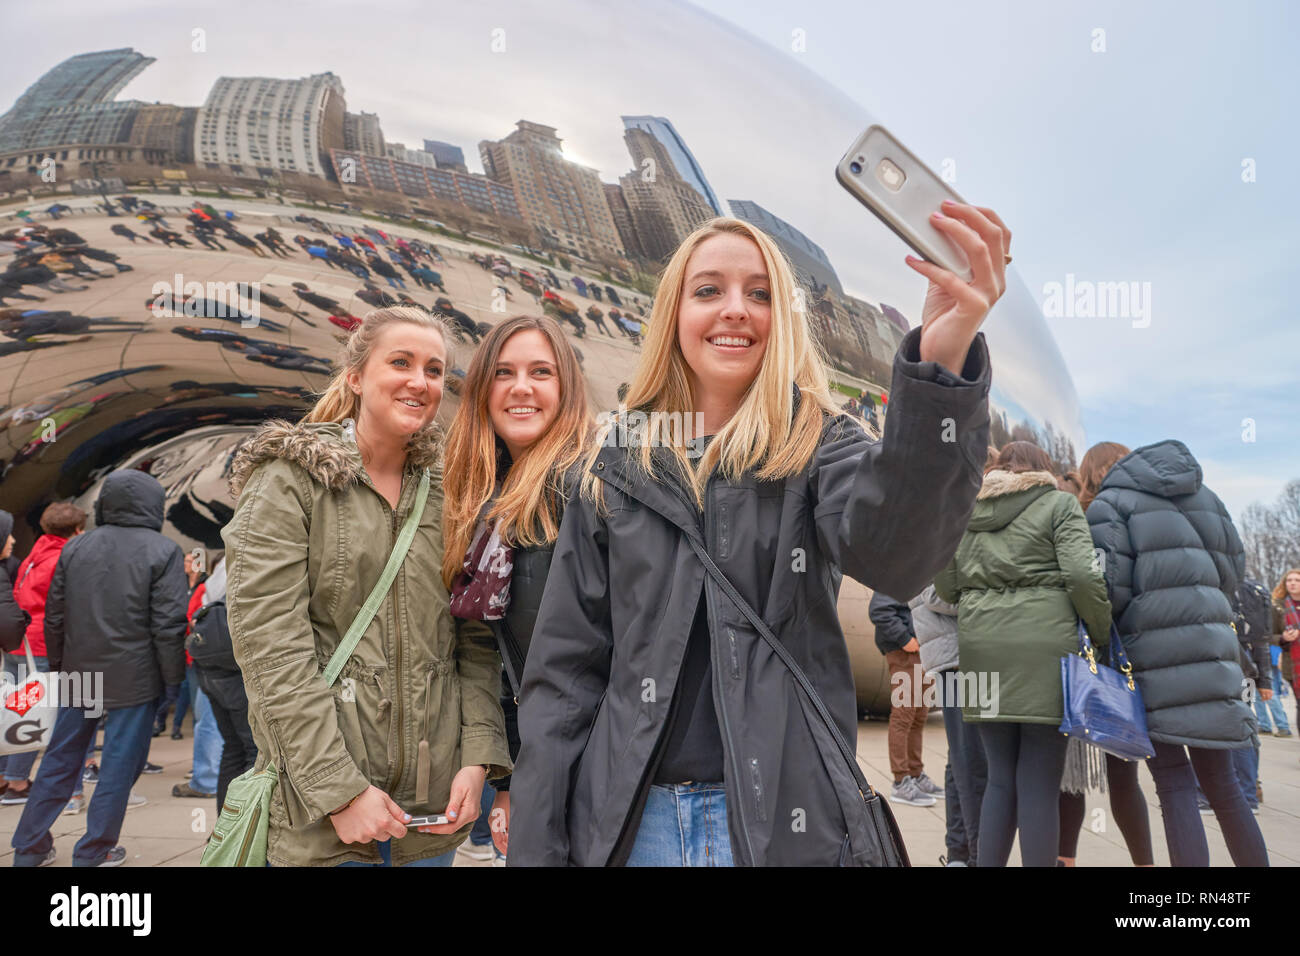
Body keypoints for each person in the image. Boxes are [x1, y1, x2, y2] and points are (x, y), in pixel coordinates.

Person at [509, 202, 1007, 867]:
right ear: (673, 316)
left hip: (779, 828)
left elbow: (898, 555)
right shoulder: (614, 466)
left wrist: (940, 364)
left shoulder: (820, 444)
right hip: (631, 827)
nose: (735, 309)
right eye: (708, 290)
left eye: (761, 293)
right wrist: (539, 851)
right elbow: (564, 679)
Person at [221, 306, 510, 866]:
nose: (419, 381)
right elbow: (271, 653)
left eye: (433, 369)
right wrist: (340, 791)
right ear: (355, 376)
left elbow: (472, 642)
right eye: (400, 362)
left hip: (430, 816)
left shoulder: (449, 493)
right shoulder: (289, 481)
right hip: (323, 820)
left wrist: (477, 759)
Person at [441, 314, 593, 864]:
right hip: (545, 767)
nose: (521, 387)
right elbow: (507, 659)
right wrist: (511, 781)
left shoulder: (588, 490)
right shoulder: (494, 502)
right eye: (503, 372)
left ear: (566, 388)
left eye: (540, 372)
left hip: (599, 775)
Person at [1084, 439, 1268, 867]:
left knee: (1173, 785)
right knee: (1224, 787)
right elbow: (1232, 572)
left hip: (1151, 662)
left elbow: (1107, 590)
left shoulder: (1110, 504)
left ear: (1095, 472)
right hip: (1214, 655)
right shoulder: (1208, 498)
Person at [934, 441, 1112, 867]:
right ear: (1044, 469)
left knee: (998, 781)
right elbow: (1082, 577)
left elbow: (944, 587)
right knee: (1038, 784)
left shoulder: (965, 510)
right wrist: (1100, 631)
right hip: (1044, 653)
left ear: (998, 468)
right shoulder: (1059, 505)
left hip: (981, 653)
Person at [11, 471, 188, 867]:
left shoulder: (77, 548)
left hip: (81, 674)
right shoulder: (163, 551)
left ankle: (29, 846)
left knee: (60, 759)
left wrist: (58, 667)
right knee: (118, 769)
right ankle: (93, 851)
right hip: (136, 678)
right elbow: (168, 624)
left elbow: (55, 615)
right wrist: (172, 681)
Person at [1055, 467, 1154, 867]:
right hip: (1117, 659)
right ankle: (1144, 864)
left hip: (1078, 662)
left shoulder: (1084, 522)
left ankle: (1065, 860)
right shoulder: (1128, 520)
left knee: (1071, 779)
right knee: (1123, 776)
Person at [0, 503, 86, 805]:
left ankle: (8, 778)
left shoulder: (34, 557)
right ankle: (19, 782)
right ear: (77, 530)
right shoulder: (68, 557)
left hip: (21, 642)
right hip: (44, 646)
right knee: (38, 714)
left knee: (17, 709)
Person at [910, 583, 986, 866]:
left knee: (961, 761)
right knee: (972, 763)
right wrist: (996, 600)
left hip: (957, 656)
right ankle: (977, 855)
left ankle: (960, 852)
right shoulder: (932, 538)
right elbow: (933, 593)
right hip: (957, 658)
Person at [869, 592, 941, 808]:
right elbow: (879, 611)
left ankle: (916, 774)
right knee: (904, 715)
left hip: (923, 652)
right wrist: (905, 639)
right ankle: (901, 782)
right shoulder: (897, 571)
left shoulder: (922, 571)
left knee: (919, 715)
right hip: (904, 653)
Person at [1273, 569, 1300, 732]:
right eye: (1289, 580)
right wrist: (1283, 637)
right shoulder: (1278, 607)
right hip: (1293, 664)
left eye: (1297, 580)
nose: (1292, 583)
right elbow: (1269, 635)